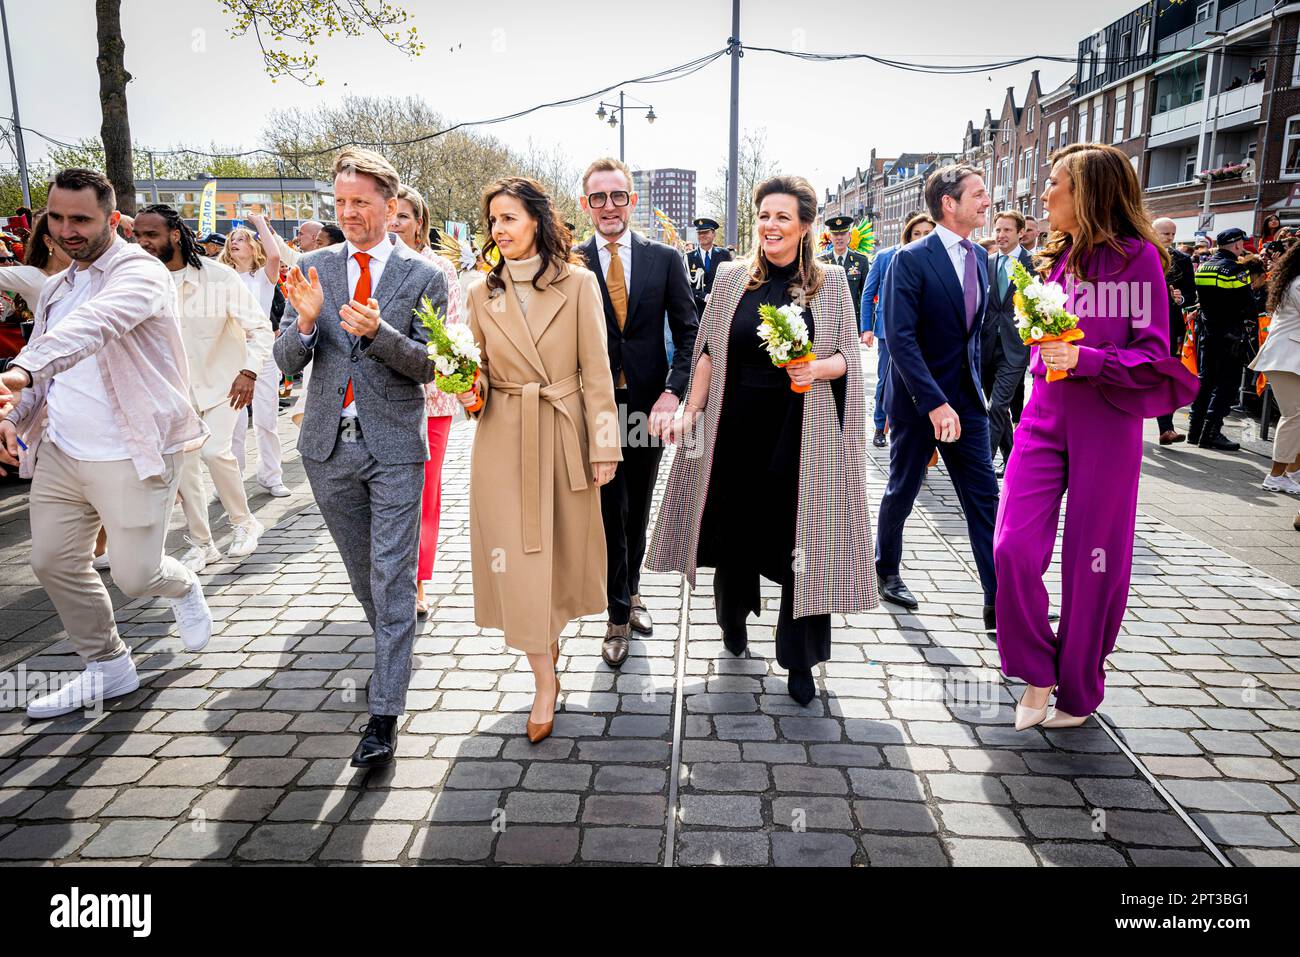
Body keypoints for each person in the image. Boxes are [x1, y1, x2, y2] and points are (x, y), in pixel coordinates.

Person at [648, 174, 877, 704]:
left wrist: (814, 367)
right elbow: (706, 352)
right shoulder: (730, 278)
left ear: (805, 226)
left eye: (783, 217)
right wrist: (692, 411)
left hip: (801, 433)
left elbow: (847, 360)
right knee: (735, 531)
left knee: (800, 541)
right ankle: (733, 620)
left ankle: (798, 659)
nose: (771, 226)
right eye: (764, 216)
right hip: (735, 428)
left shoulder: (831, 283)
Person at [995, 143, 1199, 730]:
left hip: (1106, 423)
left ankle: (1079, 688)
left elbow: (1153, 356)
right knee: (1012, 548)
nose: (1044, 194)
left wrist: (1083, 358)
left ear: (1086, 192)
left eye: (1055, 182)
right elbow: (1044, 337)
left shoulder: (1139, 259)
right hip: (1043, 414)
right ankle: (1037, 670)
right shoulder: (1050, 258)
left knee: (1092, 560)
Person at [0, 168, 214, 718]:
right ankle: (109, 666)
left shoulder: (141, 274)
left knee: (136, 576)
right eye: (57, 217)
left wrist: (19, 370)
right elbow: (47, 370)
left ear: (111, 219)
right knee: (52, 562)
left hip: (134, 449)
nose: (66, 230)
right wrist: (13, 412)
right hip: (64, 452)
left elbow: (93, 327)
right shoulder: (55, 288)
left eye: (81, 219)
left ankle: (185, 584)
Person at [274, 148, 446, 769]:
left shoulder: (424, 275)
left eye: (360, 203)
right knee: (363, 577)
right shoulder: (313, 266)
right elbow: (286, 363)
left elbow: (431, 365)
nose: (347, 213)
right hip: (327, 448)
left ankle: (383, 715)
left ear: (390, 206)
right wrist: (308, 323)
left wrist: (381, 334)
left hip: (397, 447)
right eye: (340, 202)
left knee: (391, 574)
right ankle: (396, 647)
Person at [458, 176, 620, 743]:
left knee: (557, 555)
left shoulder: (578, 284)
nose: (499, 230)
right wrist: (465, 384)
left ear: (537, 221)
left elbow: (597, 372)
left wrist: (605, 445)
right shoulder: (480, 292)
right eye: (493, 221)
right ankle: (544, 681)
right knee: (519, 560)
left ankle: (550, 647)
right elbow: (474, 371)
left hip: (562, 430)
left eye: (510, 218)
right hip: (503, 437)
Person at [577, 157, 697, 668]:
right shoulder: (572, 262)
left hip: (647, 406)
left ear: (631, 200)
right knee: (609, 509)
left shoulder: (664, 258)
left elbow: (690, 331)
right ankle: (617, 613)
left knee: (637, 507)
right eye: (599, 198)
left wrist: (674, 392)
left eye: (618, 196)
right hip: (596, 406)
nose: (609, 206)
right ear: (586, 204)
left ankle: (633, 588)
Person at [875, 163, 1000, 629]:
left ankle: (997, 598)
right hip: (916, 403)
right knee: (902, 490)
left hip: (967, 403)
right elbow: (901, 339)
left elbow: (973, 336)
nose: (987, 201)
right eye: (979, 194)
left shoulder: (980, 259)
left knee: (984, 498)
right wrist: (933, 403)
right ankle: (887, 569)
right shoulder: (910, 258)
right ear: (949, 203)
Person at [135, 205, 273, 569]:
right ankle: (202, 542)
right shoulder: (140, 283)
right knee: (185, 468)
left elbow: (260, 330)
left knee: (214, 453)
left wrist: (249, 372)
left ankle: (245, 522)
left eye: (151, 235)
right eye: (137, 236)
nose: (143, 243)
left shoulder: (219, 277)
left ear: (175, 235)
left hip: (225, 386)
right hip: (174, 393)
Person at [391, 183, 464, 617]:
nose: (395, 223)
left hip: (429, 403)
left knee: (423, 495)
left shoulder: (441, 270)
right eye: (391, 215)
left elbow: (448, 335)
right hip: (377, 402)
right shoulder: (373, 267)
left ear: (421, 223)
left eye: (404, 216)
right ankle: (386, 577)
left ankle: (418, 581)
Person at [223, 215, 290, 498]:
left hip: (263, 353)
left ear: (253, 247)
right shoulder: (221, 276)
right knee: (233, 423)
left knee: (266, 420)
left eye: (241, 239)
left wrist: (258, 222)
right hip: (232, 354)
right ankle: (232, 480)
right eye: (232, 240)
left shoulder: (263, 277)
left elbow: (274, 253)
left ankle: (271, 477)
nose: (234, 243)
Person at [861, 212, 935, 448]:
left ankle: (915, 436)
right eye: (916, 233)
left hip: (923, 330)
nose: (921, 237)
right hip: (888, 330)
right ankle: (879, 426)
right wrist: (867, 328)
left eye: (927, 233)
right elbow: (868, 294)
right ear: (907, 232)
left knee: (918, 380)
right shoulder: (885, 257)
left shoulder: (935, 258)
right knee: (886, 380)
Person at [1189, 227, 1255, 452]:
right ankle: (1211, 432)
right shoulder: (1236, 269)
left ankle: (1194, 429)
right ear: (1236, 244)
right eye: (1242, 243)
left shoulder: (1204, 267)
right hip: (1230, 335)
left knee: (1205, 380)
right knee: (1227, 384)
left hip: (1207, 331)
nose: (1243, 247)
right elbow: (1247, 305)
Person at [982, 210, 1034, 474]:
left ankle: (982, 464)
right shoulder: (987, 261)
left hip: (1015, 349)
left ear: (1020, 233)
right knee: (997, 408)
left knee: (998, 406)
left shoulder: (1033, 265)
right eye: (998, 230)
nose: (1001, 235)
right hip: (987, 346)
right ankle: (1013, 458)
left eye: (1007, 231)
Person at [1250, 241, 1300, 499]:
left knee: (1296, 416)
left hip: (1288, 358)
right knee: (1295, 416)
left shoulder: (1292, 279)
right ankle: (1277, 475)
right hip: (1287, 359)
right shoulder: (1298, 283)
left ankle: (1291, 471)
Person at [1152, 217, 1197, 444]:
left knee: (1167, 374)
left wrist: (1181, 299)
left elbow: (1191, 292)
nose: (1170, 238)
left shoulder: (1183, 260)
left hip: (1169, 326)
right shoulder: (1141, 253)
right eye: (1165, 233)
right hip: (1142, 323)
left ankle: (1166, 428)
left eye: (1172, 234)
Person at [818, 215, 870, 332]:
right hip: (827, 322)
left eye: (843, 234)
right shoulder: (821, 262)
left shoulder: (861, 261)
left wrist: (867, 327)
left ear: (849, 236)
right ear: (830, 237)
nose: (839, 238)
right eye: (835, 234)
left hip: (851, 321)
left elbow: (866, 295)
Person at [686, 217, 732, 316]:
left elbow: (730, 282)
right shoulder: (688, 258)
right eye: (699, 233)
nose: (702, 235)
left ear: (714, 234)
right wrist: (704, 296)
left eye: (706, 232)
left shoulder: (724, 254)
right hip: (696, 311)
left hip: (719, 309)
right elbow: (685, 287)